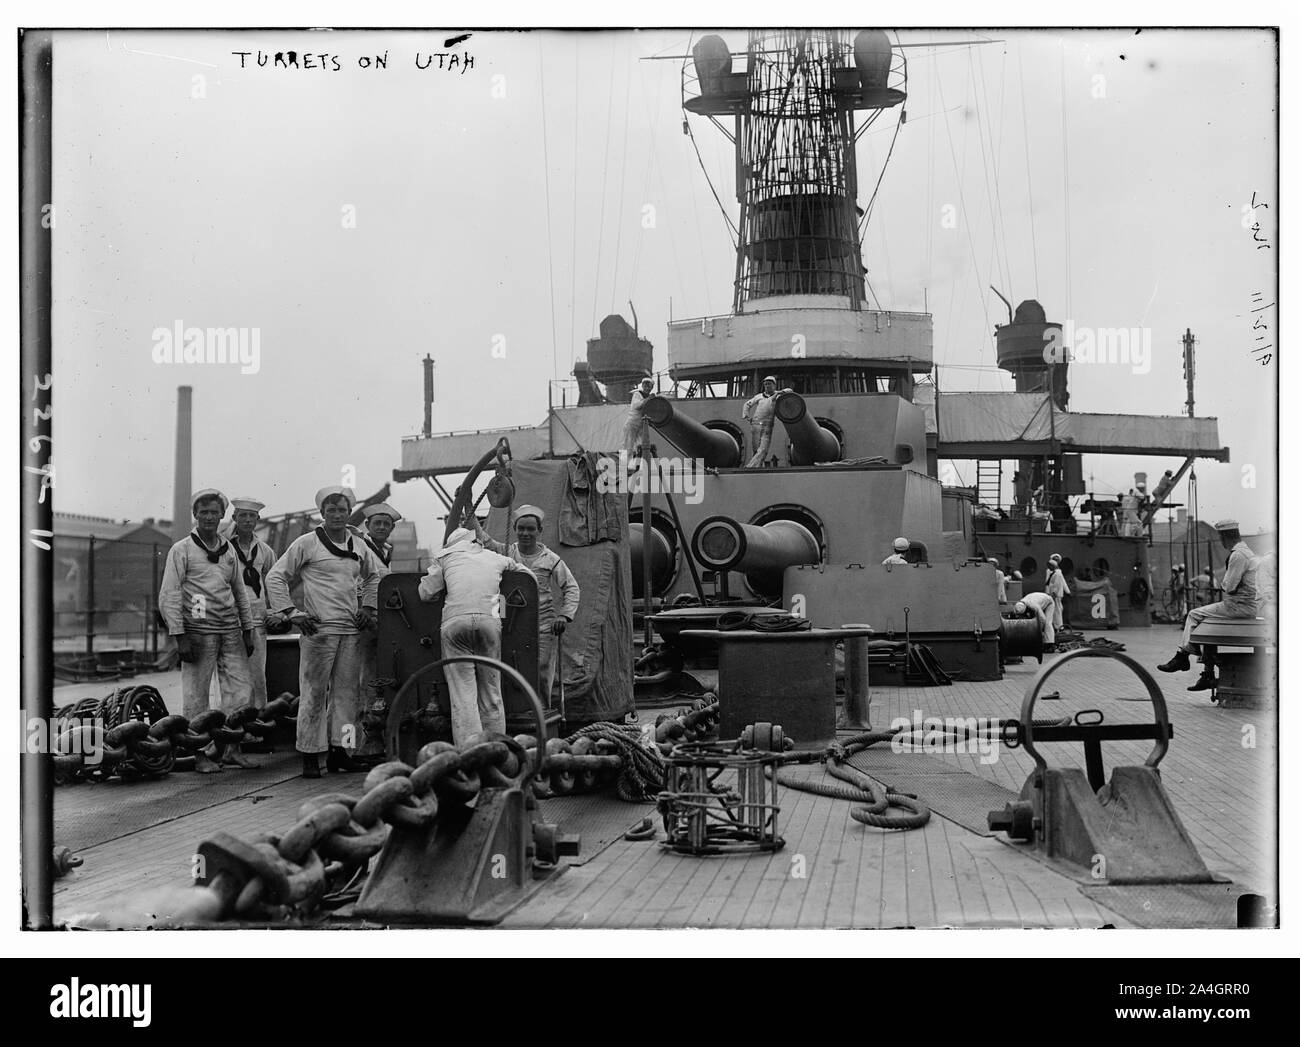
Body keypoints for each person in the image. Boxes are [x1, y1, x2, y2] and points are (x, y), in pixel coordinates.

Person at [265, 486, 389, 778]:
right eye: (330, 510)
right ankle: (310, 755)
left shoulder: (358, 546)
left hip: (350, 631)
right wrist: (292, 614)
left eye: (342, 510)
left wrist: (369, 609)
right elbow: (275, 577)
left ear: (349, 514)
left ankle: (341, 752)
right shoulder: (307, 543)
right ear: (322, 513)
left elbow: (375, 577)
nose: (336, 514)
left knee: (347, 696)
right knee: (313, 694)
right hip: (318, 631)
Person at [157, 489, 256, 774]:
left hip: (230, 630)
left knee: (240, 692)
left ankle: (230, 749)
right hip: (197, 632)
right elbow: (170, 594)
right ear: (195, 515)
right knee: (196, 696)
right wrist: (179, 635)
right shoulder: (182, 549)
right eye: (204, 512)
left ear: (222, 515)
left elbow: (240, 591)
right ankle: (199, 754)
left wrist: (247, 629)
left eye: (215, 512)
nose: (210, 517)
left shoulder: (228, 551)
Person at [418, 525, 536, 744]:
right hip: (489, 622)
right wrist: (500, 602)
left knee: (463, 695)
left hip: (456, 624)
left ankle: (468, 751)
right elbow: (530, 580)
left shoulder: (445, 556)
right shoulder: (495, 557)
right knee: (492, 692)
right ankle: (498, 747)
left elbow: (425, 593)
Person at [470, 504, 580, 707]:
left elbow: (572, 588)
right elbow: (482, 539)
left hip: (543, 625)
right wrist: (468, 504)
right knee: (509, 668)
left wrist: (563, 616)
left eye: (530, 529)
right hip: (510, 624)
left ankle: (541, 714)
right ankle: (513, 713)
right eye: (521, 528)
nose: (525, 533)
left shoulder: (551, 559)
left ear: (539, 531)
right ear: (514, 529)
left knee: (540, 671)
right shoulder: (505, 553)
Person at [1158, 521, 1260, 691]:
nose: (1221, 541)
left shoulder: (1238, 555)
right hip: (1244, 604)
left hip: (1239, 605)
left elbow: (1229, 586)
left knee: (1193, 614)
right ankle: (1207, 675)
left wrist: (1224, 582)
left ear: (1225, 536)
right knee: (1206, 626)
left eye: (1221, 537)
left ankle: (1182, 657)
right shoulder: (1246, 552)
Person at [225, 496, 275, 708]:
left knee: (257, 676)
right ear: (234, 517)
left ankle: (258, 725)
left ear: (258, 519)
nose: (247, 520)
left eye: (251, 516)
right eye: (242, 515)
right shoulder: (224, 547)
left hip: (257, 620)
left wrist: (274, 611)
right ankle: (232, 726)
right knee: (232, 678)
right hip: (230, 620)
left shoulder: (264, 550)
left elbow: (273, 581)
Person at [742, 375, 792, 468]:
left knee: (763, 448)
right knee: (756, 449)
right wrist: (746, 415)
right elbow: (747, 404)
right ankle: (759, 466)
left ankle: (751, 466)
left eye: (769, 384)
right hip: (756, 424)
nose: (767, 386)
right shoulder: (759, 396)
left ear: (774, 385)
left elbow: (790, 390)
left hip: (767, 425)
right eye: (765, 384)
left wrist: (780, 393)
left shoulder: (778, 395)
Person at [622, 374, 655, 459]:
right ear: (643, 386)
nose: (647, 387)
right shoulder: (637, 394)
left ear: (651, 387)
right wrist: (648, 399)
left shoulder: (650, 398)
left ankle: (638, 466)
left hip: (641, 425)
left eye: (649, 386)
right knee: (628, 446)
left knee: (641, 447)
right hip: (632, 423)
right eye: (645, 385)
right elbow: (637, 405)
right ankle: (624, 467)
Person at [1045, 554, 1071, 630]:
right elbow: (1047, 582)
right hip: (1051, 593)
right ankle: (1055, 625)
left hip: (1056, 594)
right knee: (1054, 609)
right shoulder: (1050, 571)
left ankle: (1058, 626)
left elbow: (1061, 582)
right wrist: (1047, 592)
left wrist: (1067, 591)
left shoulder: (1058, 572)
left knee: (1058, 609)